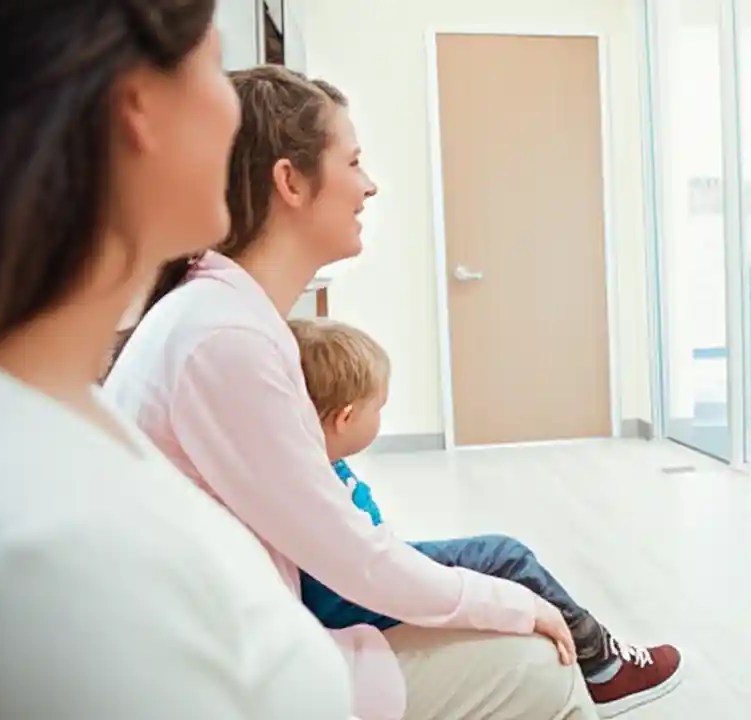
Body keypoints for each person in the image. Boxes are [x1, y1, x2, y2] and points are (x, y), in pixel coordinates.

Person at [104, 66, 595, 720]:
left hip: (221, 645)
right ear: (290, 181)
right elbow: (355, 561)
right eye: (355, 161)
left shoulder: (218, 317)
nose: (370, 185)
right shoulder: (225, 337)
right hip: (222, 677)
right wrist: (519, 603)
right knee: (539, 667)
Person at [0, 2, 354, 718]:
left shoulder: (35, 408)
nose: (235, 114)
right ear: (136, 107)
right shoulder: (35, 556)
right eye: (213, 67)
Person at [288, 318, 684, 717]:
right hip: (353, 593)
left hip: (359, 575)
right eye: (379, 408)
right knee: (505, 556)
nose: (382, 417)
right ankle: (603, 666)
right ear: (345, 418)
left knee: (498, 557)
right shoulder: (317, 474)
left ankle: (599, 657)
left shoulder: (312, 464)